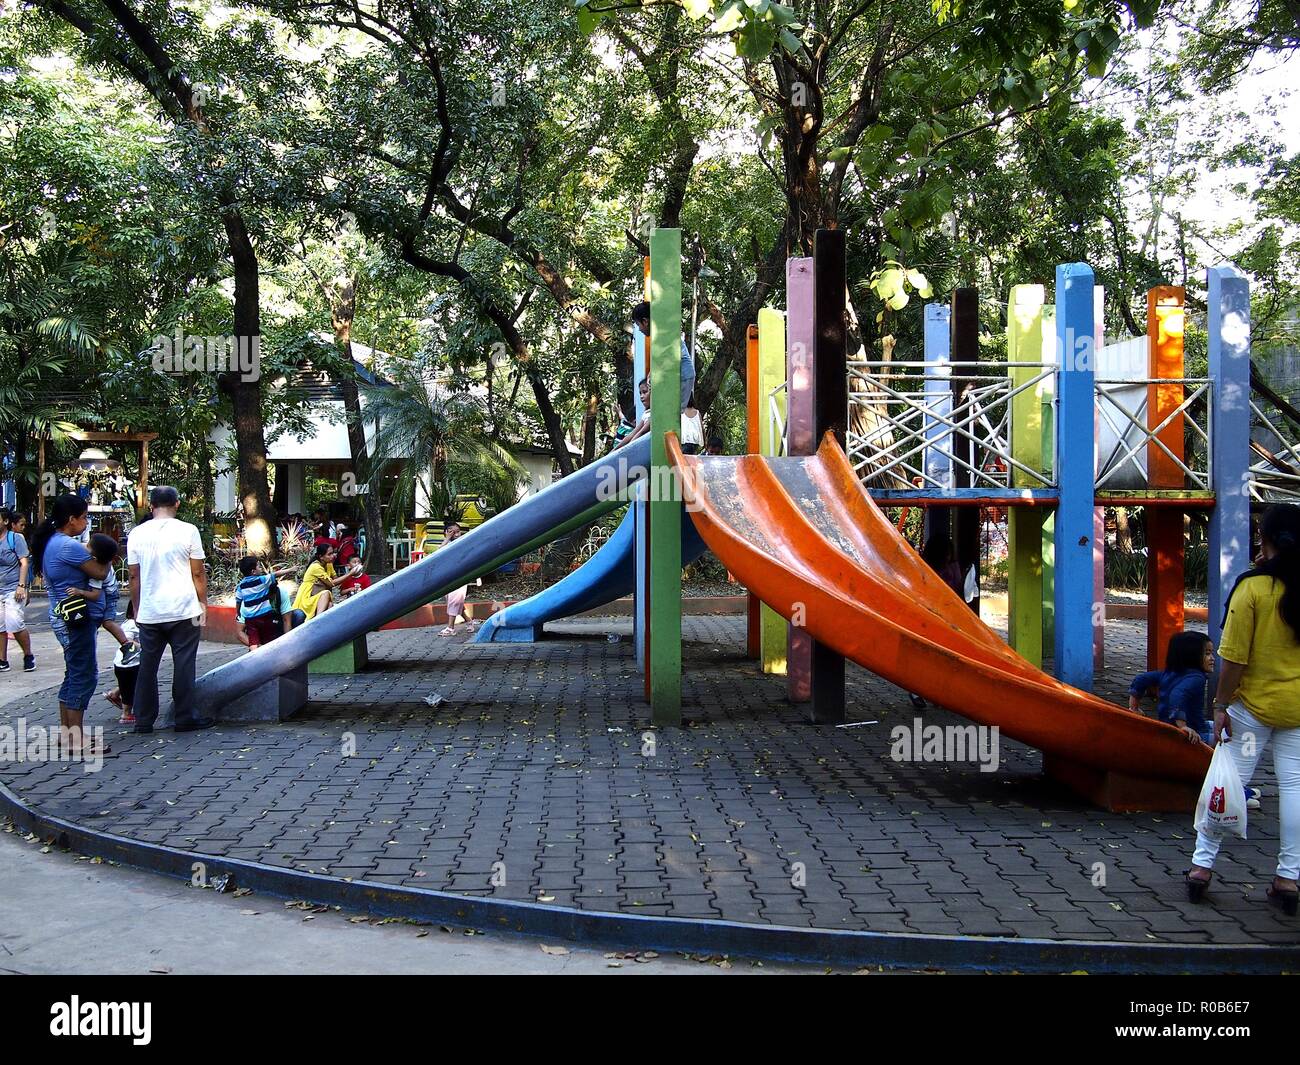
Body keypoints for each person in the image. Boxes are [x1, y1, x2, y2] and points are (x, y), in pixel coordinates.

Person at [1186, 504, 1300, 914]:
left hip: (1251, 709)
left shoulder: (1252, 589)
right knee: (1295, 790)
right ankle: (1288, 879)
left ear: (1265, 540)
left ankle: (1201, 868)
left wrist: (1220, 704)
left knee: (1225, 784)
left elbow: (1231, 658)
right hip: (1298, 711)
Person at [32, 495, 112, 755]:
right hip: (75, 619)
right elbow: (100, 573)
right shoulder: (68, 546)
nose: (86, 522)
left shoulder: (52, 542)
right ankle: (76, 738)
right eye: (84, 517)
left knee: (73, 671)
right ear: (72, 520)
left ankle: (66, 733)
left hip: (62, 616)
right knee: (84, 674)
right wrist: (108, 553)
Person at [128, 486, 212, 734]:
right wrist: (202, 603)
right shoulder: (188, 531)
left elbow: (134, 576)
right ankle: (185, 717)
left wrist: (137, 608)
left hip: (150, 612)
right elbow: (198, 572)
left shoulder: (137, 533)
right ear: (177, 503)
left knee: (147, 666)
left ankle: (143, 720)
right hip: (184, 610)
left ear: (151, 506)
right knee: (185, 664)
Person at [1129, 632, 1216, 745]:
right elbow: (1177, 694)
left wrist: (1134, 707)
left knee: (1225, 725)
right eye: (1207, 654)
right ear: (1191, 656)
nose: (1212, 658)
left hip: (1170, 726)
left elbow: (1141, 679)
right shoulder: (1197, 678)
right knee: (1231, 740)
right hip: (1192, 733)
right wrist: (1182, 726)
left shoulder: (1169, 673)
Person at [630, 300, 695, 413]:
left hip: (682, 376)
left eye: (638, 325)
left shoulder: (662, 334)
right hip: (681, 375)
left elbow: (670, 358)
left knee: (671, 413)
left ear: (645, 321)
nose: (639, 329)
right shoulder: (661, 332)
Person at [87, 533, 139, 664]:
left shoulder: (97, 573)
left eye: (88, 546)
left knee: (108, 622)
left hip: (110, 596)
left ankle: (127, 645)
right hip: (111, 592)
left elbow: (95, 594)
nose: (85, 548)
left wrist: (79, 592)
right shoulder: (102, 564)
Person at [235, 556, 302, 647]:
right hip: (265, 619)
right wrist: (291, 569)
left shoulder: (241, 586)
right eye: (259, 566)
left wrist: (237, 612)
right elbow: (276, 574)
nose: (261, 568)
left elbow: (238, 600)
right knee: (268, 639)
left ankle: (259, 650)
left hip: (252, 620)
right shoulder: (262, 580)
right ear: (253, 571)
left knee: (254, 642)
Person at [0, 508, 34, 673]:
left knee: (15, 623)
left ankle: (28, 655)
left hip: (13, 588)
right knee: (0, 626)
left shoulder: (15, 538)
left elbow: (24, 563)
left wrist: (22, 586)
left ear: (5, 522)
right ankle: (2, 660)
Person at [439, 522, 481, 636]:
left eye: (458, 531)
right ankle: (469, 621)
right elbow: (438, 554)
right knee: (456, 602)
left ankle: (450, 627)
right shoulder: (447, 544)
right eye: (452, 532)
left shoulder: (463, 543)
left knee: (454, 600)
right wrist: (447, 539)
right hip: (448, 577)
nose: (456, 534)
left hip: (460, 576)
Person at [104, 609, 140, 726]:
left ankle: (114, 693)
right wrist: (144, 646)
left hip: (123, 663)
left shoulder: (128, 623)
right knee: (130, 689)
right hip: (129, 663)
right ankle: (126, 714)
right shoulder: (131, 624)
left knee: (128, 684)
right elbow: (127, 640)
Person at [293, 542, 343, 620]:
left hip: (317, 596)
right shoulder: (315, 567)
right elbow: (332, 583)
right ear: (321, 557)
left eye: (332, 553)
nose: (332, 556)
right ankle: (317, 620)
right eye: (329, 554)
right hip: (307, 598)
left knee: (330, 605)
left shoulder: (329, 564)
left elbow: (335, 578)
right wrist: (350, 573)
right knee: (326, 593)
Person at [335, 523, 371, 594]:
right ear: (349, 566)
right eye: (354, 562)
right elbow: (341, 592)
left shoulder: (365, 578)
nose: (357, 564)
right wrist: (350, 589)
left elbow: (369, 591)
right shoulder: (347, 578)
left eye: (359, 562)